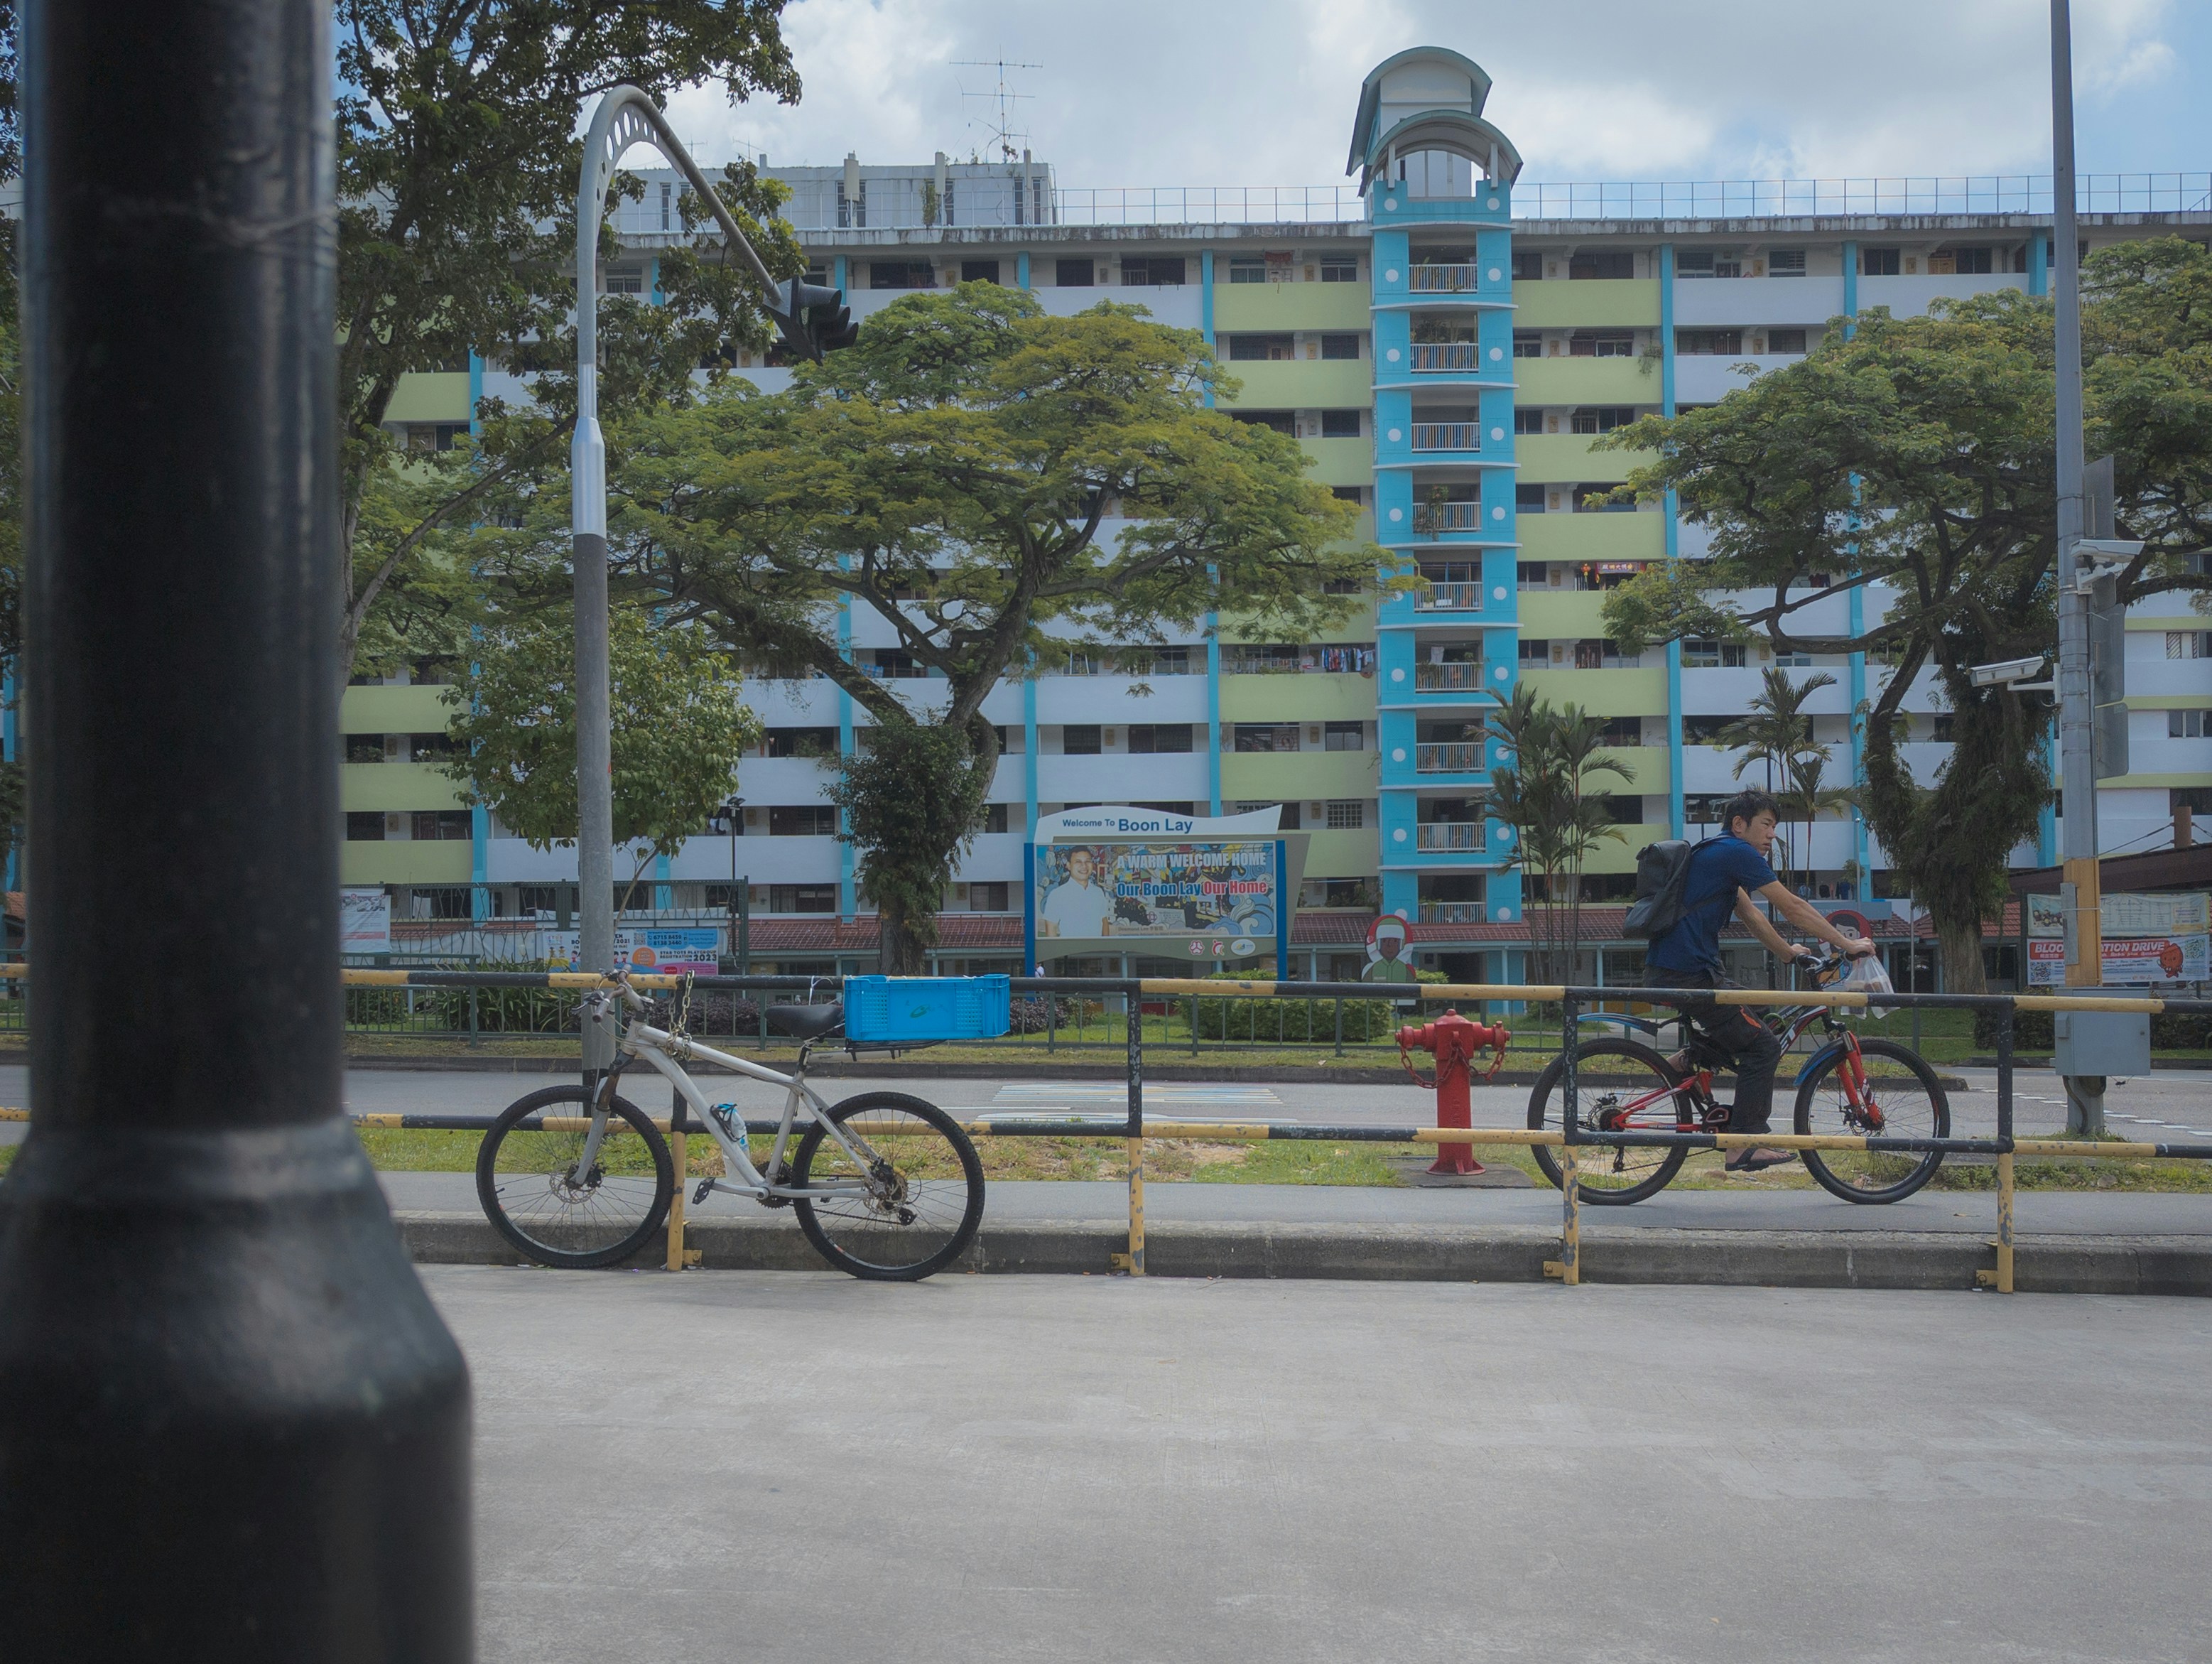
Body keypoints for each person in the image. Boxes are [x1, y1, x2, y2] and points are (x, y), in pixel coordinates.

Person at [1644, 789, 1876, 1172]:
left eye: (1774, 827)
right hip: (1689, 975)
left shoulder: (1717, 853)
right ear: (1740, 825)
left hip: (1688, 971)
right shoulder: (1736, 852)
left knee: (1761, 1010)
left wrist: (1790, 953)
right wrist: (1846, 943)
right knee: (1763, 1048)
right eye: (1766, 826)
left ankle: (1688, 1061)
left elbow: (1752, 915)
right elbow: (1792, 906)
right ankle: (1743, 1143)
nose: (1772, 835)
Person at [1038, 845, 1113, 939]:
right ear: (1069, 865)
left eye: (1088, 861)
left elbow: (1104, 921)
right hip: (1069, 951)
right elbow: (1051, 930)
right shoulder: (1057, 895)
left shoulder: (1098, 892)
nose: (1084, 866)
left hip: (1096, 951)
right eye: (1078, 862)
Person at [1363, 917, 1416, 984]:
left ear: (1401, 944)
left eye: (1395, 941)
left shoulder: (1406, 970)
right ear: (1378, 944)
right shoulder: (1372, 969)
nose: (1390, 945)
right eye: (1384, 941)